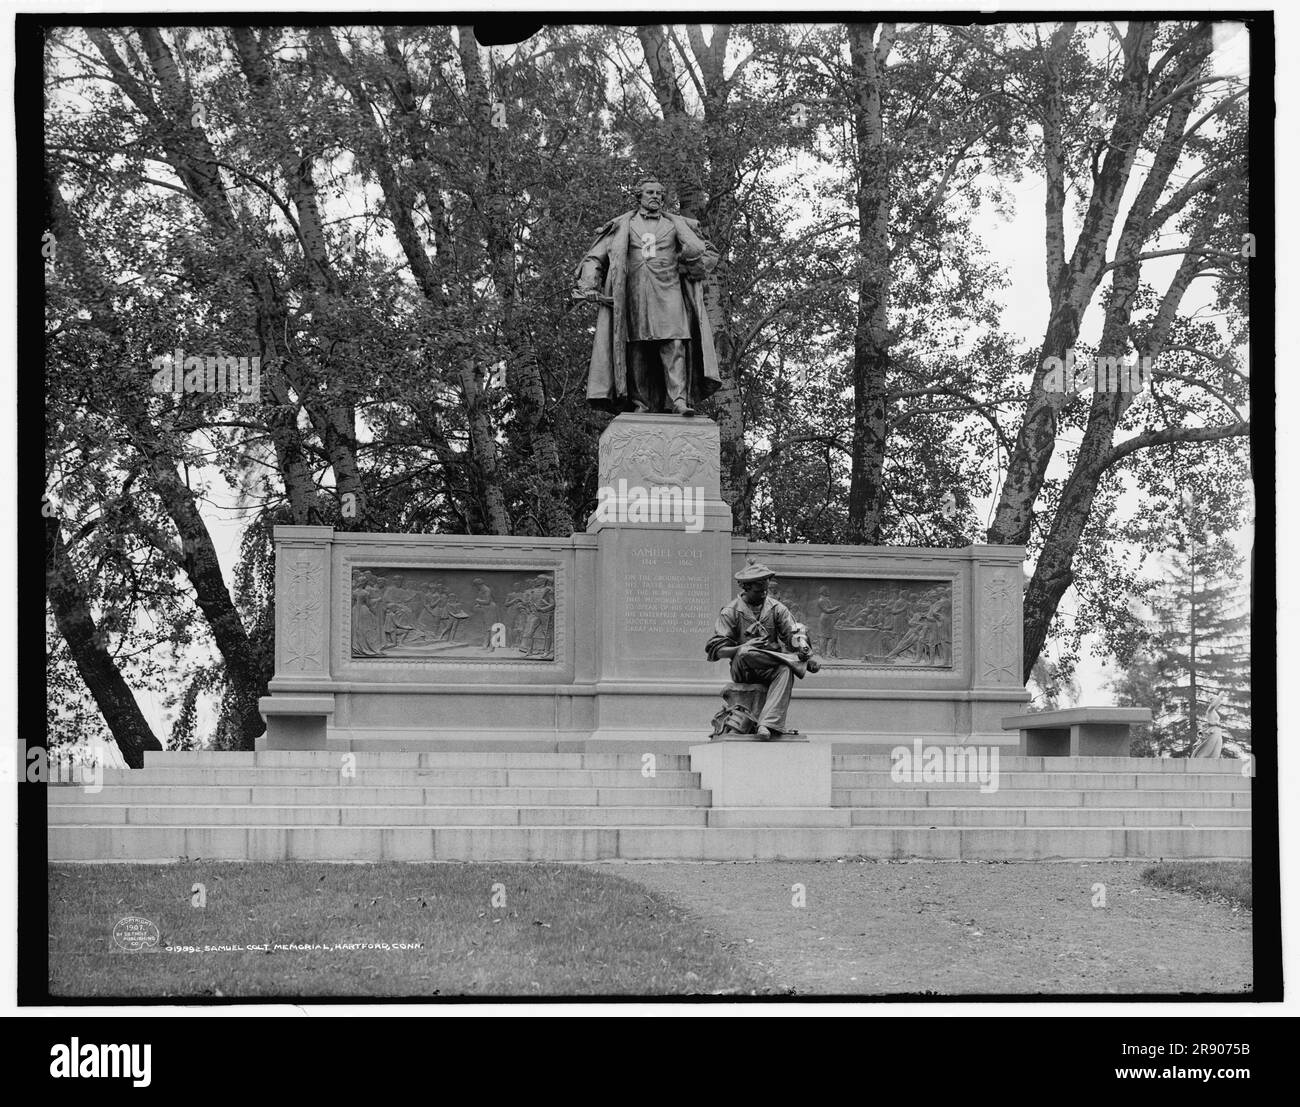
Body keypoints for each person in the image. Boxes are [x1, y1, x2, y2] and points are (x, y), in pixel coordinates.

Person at [573, 176, 721, 415]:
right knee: (637, 349)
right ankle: (640, 404)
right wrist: (589, 286)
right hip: (634, 296)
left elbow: (708, 254)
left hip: (670, 292)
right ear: (638, 197)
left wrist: (690, 266)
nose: (655, 197)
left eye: (659, 194)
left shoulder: (678, 225)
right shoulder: (622, 226)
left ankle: (679, 401)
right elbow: (595, 258)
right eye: (650, 192)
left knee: (675, 344)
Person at [706, 561, 817, 740]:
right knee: (746, 653)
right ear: (746, 587)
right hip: (744, 667)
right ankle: (793, 661)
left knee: (786, 670)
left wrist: (804, 650)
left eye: (766, 590)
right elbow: (717, 651)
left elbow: (793, 632)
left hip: (770, 667)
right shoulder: (731, 611)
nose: (764, 594)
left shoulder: (776, 608)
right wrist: (740, 647)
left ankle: (767, 724)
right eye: (759, 591)